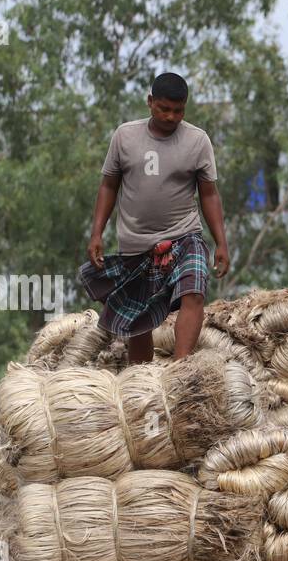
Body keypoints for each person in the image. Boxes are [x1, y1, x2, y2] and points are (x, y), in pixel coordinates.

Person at [78, 72, 231, 364]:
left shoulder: (198, 140)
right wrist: (96, 233)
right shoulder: (125, 136)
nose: (171, 116)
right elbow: (109, 186)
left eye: (178, 110)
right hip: (136, 243)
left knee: (194, 291)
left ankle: (181, 367)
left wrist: (221, 242)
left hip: (184, 236)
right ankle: (142, 378)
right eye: (164, 109)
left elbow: (209, 194)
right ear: (150, 102)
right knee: (140, 320)